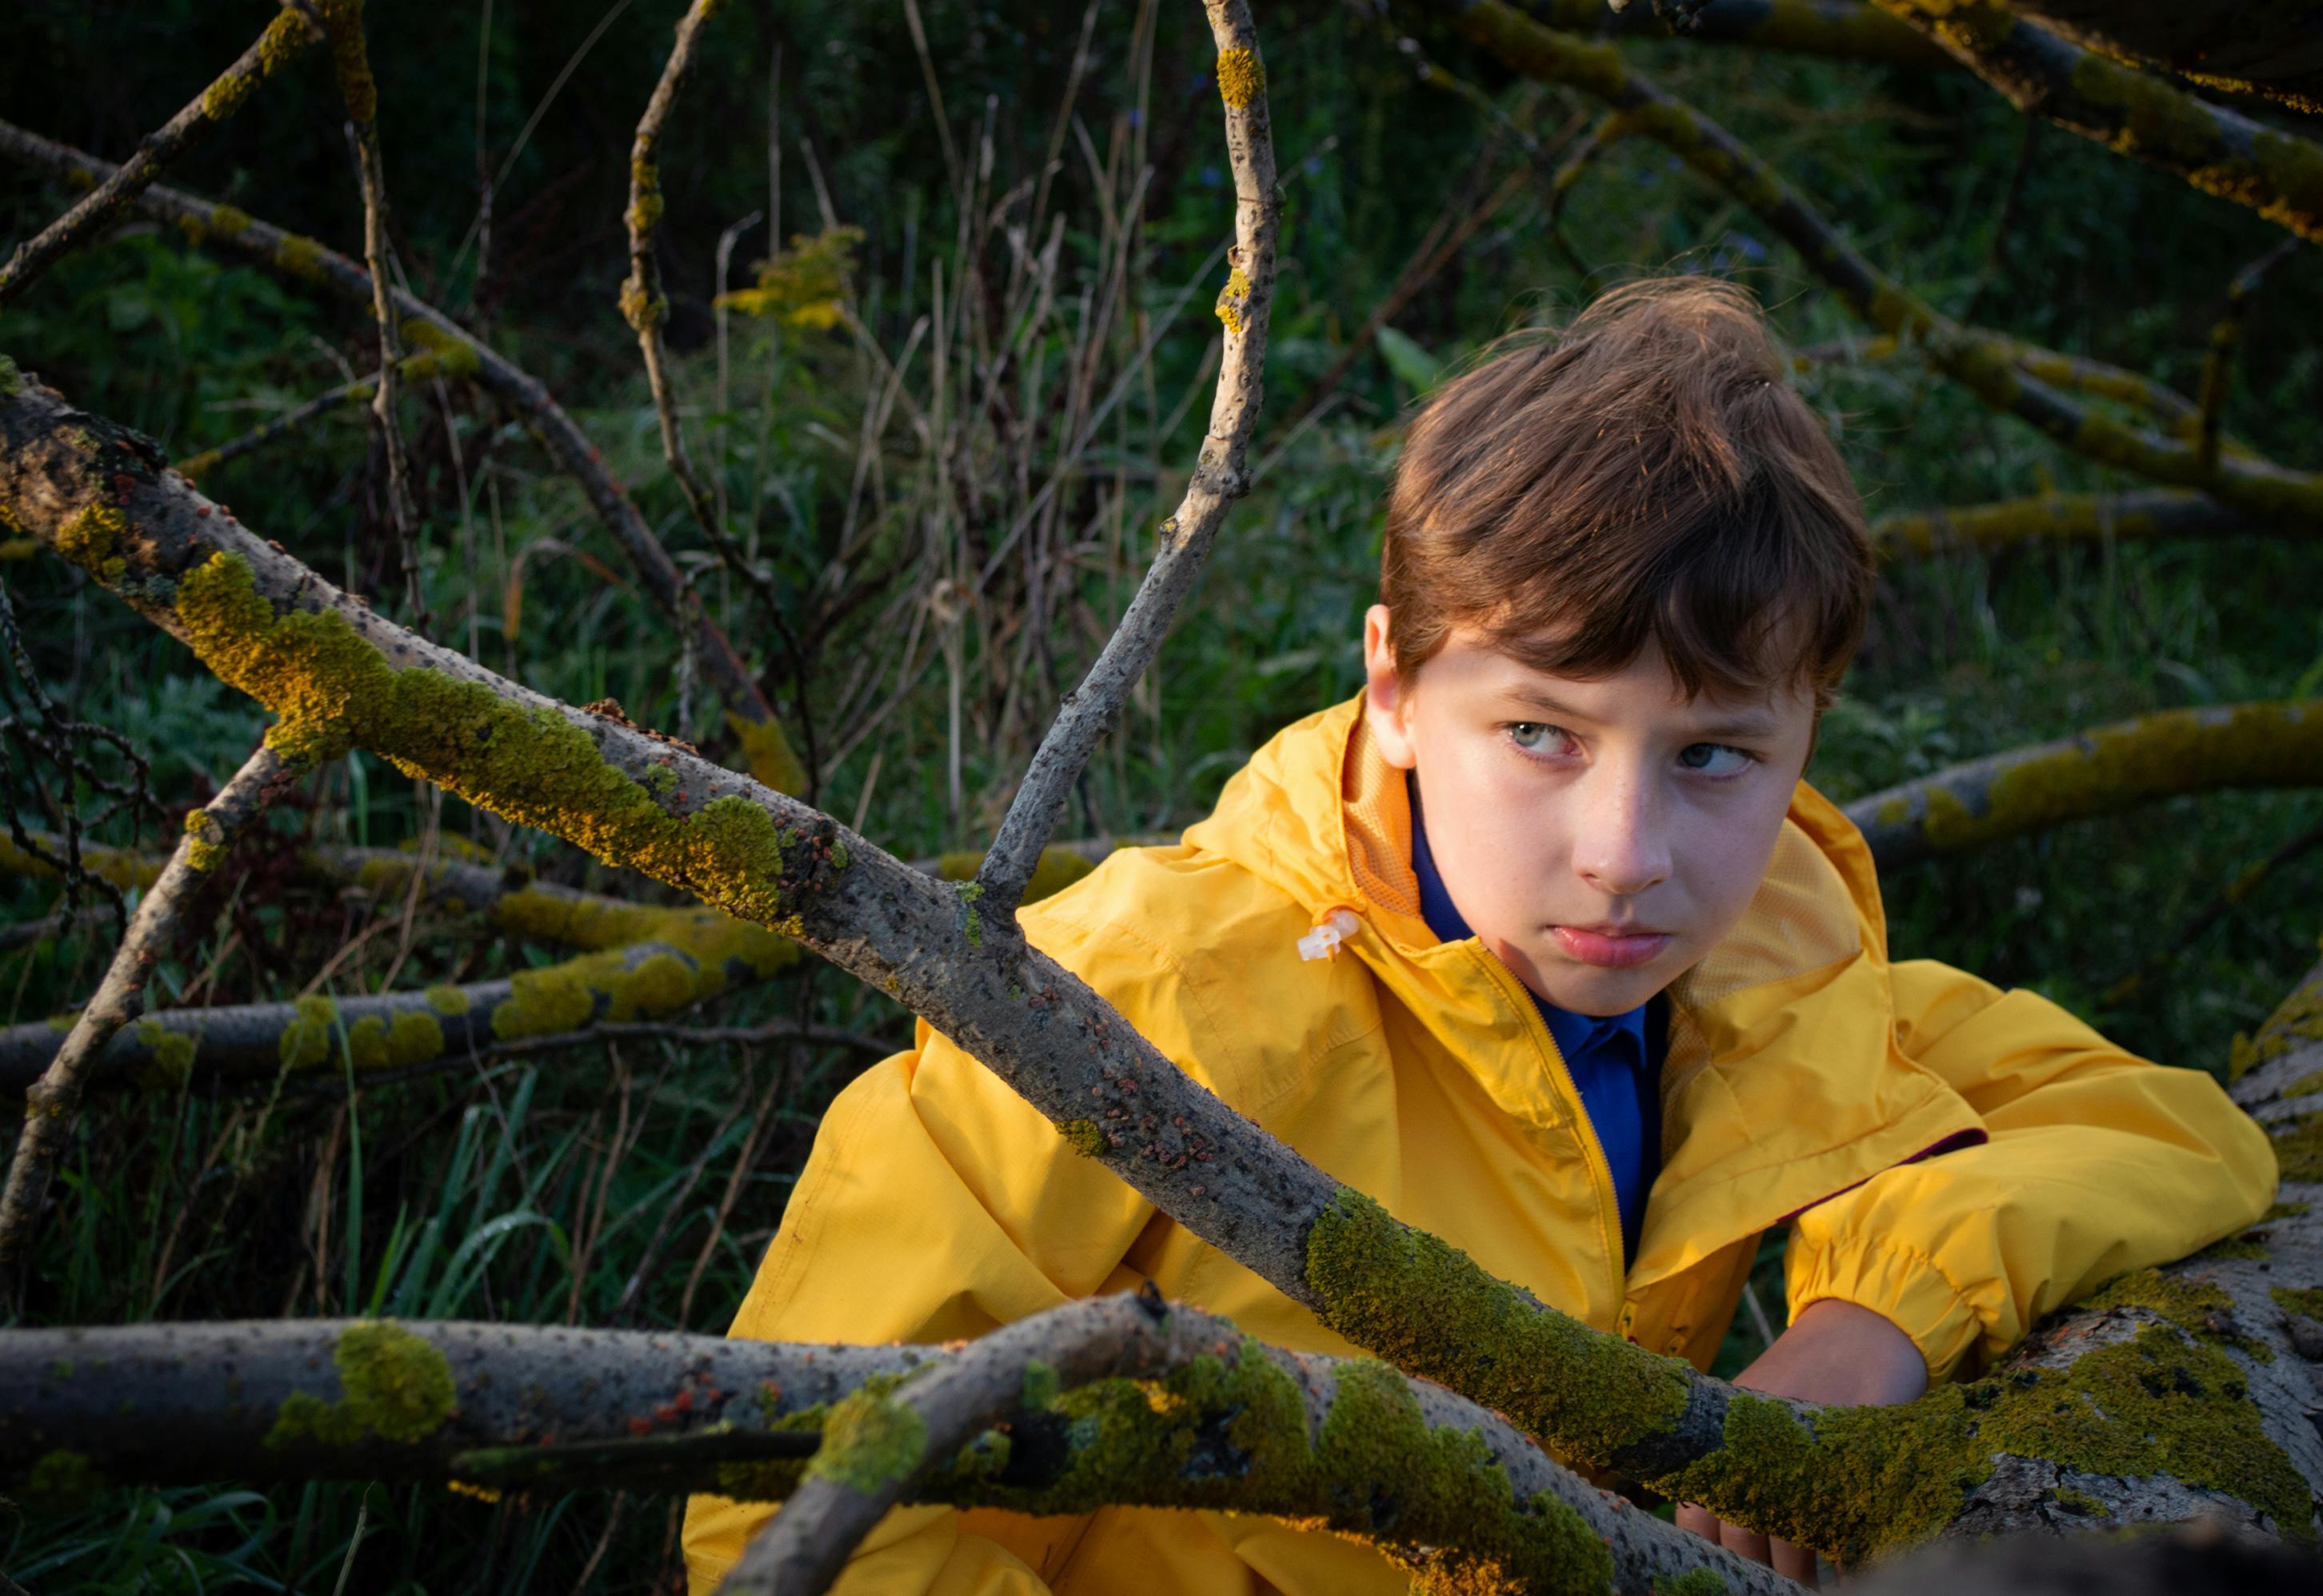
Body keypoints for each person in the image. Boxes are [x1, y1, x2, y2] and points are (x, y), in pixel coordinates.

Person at [681, 278, 2276, 1593]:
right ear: (1393, 683)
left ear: (1810, 728)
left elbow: (2164, 1126)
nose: (1628, 857)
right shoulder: (1145, 996)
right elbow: (799, 1495)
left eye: (1713, 752)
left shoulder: (1782, 974)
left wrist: (1870, 1321)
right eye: (1540, 733)